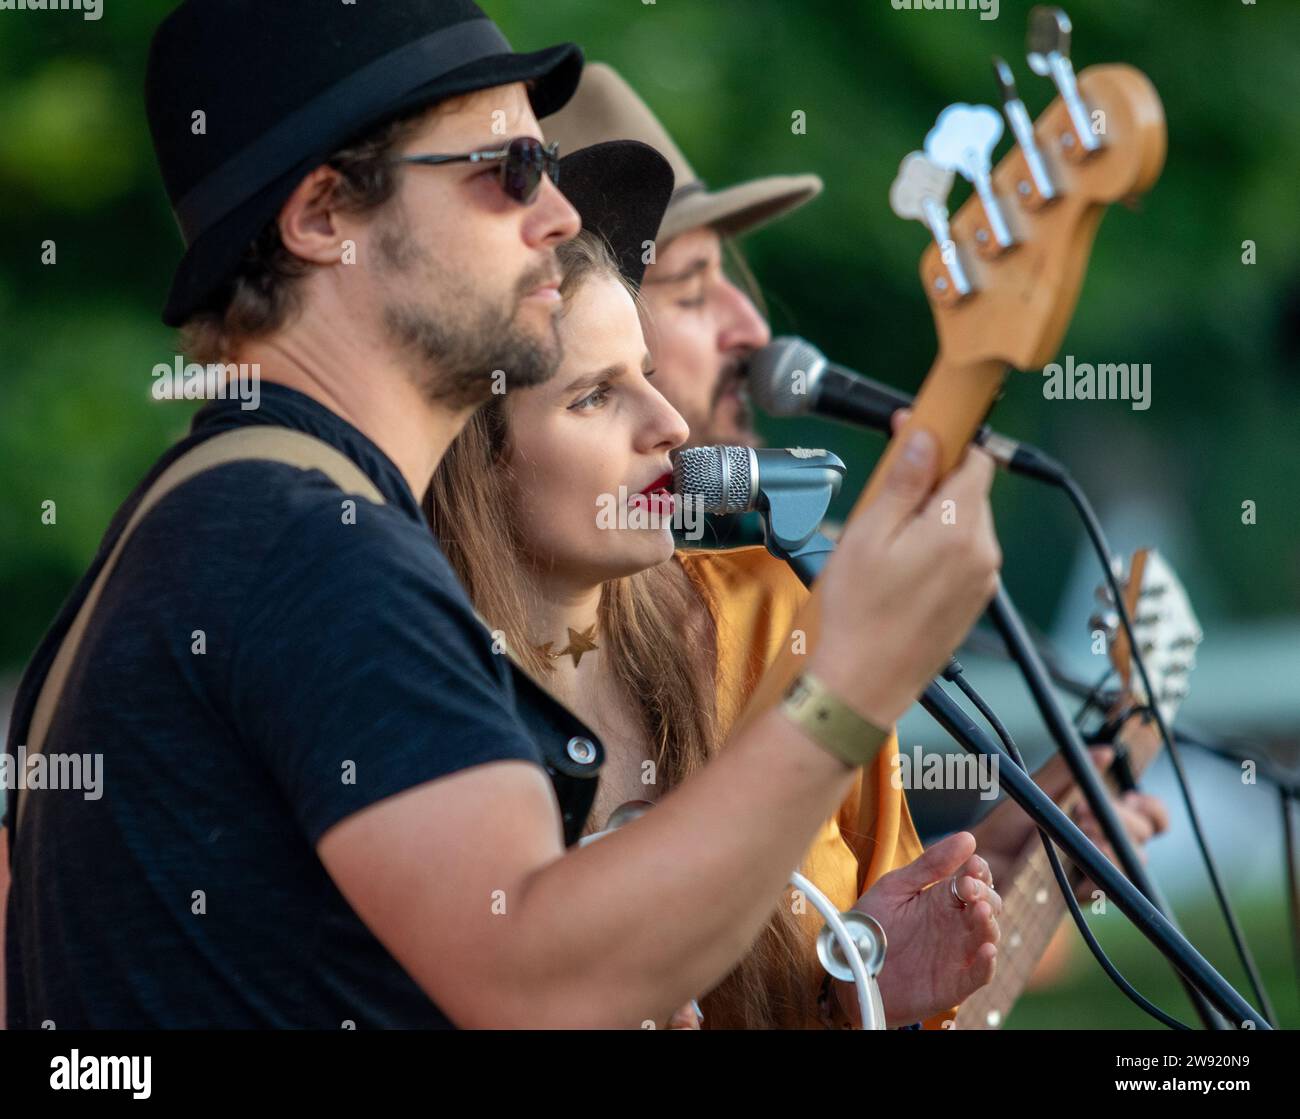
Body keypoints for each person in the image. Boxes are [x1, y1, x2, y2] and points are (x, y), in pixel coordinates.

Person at [0, 0, 1003, 1029]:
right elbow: (542, 980)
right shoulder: (308, 549)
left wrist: (842, 994)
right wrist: (846, 677)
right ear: (322, 219)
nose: (559, 214)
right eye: (508, 170)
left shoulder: (248, 517)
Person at [544, 61, 1170, 916]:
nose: (754, 328)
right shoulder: (451, 661)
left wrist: (981, 873)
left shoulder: (770, 598)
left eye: (733, 275)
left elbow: (824, 967)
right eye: (690, 290)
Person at [427, 226, 1002, 1028]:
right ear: (471, 454)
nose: (668, 422)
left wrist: (851, 996)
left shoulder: (763, 621)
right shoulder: (414, 710)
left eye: (650, 376)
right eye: (594, 395)